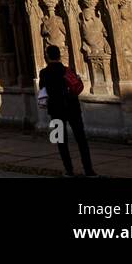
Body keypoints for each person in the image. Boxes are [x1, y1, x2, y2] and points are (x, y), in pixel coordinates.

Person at [38, 44, 96, 176]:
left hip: (55, 111)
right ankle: (89, 170)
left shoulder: (44, 73)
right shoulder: (68, 70)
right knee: (81, 140)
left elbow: (42, 91)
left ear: (47, 56)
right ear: (59, 55)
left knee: (60, 141)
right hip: (73, 109)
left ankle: (69, 170)